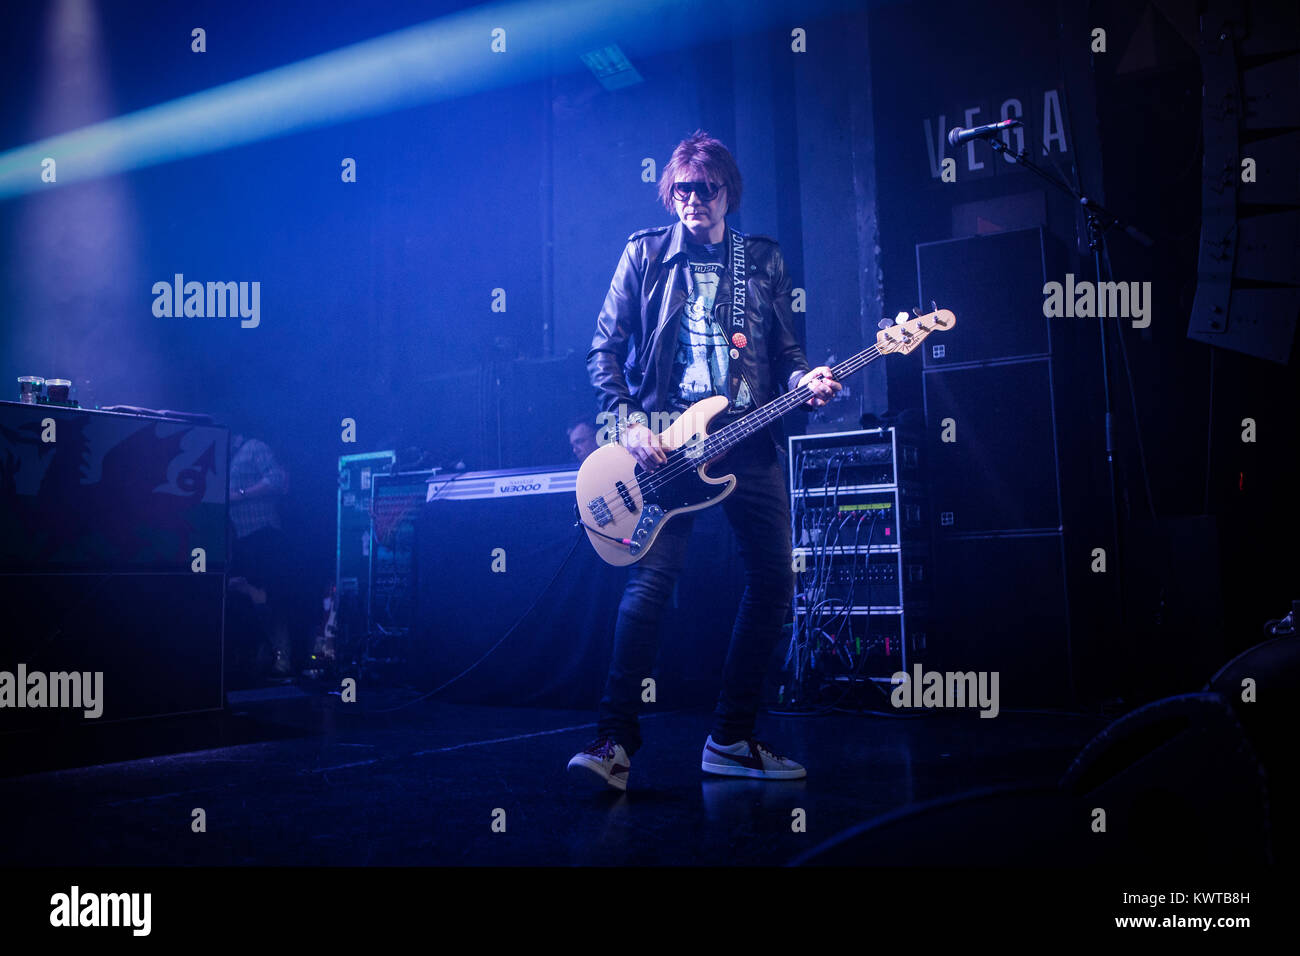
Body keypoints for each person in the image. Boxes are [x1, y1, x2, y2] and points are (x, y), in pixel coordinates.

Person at [568, 130, 840, 790]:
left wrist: (807, 384)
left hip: (746, 441)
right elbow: (603, 350)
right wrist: (630, 421)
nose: (693, 199)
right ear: (671, 193)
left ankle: (732, 738)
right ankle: (613, 745)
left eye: (706, 188)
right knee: (648, 588)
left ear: (728, 192)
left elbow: (786, 355)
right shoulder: (645, 254)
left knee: (777, 584)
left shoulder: (763, 259)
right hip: (663, 443)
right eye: (682, 189)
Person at [227, 430, 292, 680]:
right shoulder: (226, 458)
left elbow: (277, 479)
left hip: (263, 533)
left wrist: (239, 494)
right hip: (241, 537)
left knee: (269, 596)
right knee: (244, 591)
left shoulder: (254, 447)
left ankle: (282, 657)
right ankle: (263, 654)